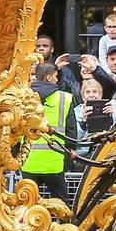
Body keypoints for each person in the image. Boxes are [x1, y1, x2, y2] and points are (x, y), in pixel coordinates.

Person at [21, 62, 76, 204]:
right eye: (56, 77)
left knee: (28, 205)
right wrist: (69, 153)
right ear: (49, 77)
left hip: (29, 162)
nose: (57, 80)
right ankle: (64, 226)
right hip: (55, 162)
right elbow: (71, 131)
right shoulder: (65, 98)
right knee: (61, 206)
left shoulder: (23, 99)